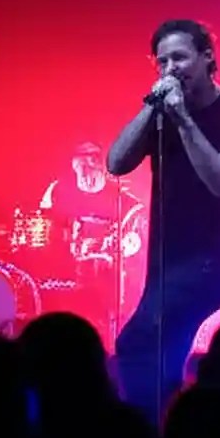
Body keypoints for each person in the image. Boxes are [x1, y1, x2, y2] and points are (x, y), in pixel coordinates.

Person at [107, 19, 220, 425]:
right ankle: (178, 429)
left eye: (179, 57)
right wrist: (152, 107)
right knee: (167, 347)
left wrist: (183, 119)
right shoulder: (160, 116)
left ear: (207, 58)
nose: (170, 68)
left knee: (139, 341)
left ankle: (148, 433)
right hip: (169, 255)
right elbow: (115, 164)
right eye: (161, 61)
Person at [35, 141, 147, 339]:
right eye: (83, 156)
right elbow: (41, 228)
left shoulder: (125, 202)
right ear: (73, 163)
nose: (89, 162)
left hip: (106, 280)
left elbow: (136, 242)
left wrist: (124, 246)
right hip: (62, 276)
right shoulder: (57, 192)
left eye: (94, 157)